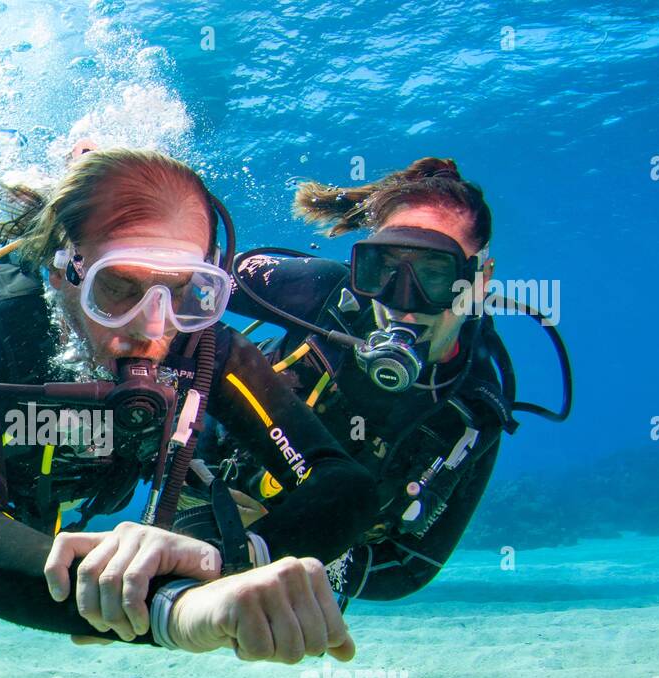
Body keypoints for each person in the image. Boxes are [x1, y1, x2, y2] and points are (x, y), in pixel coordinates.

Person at [0, 148, 379, 661]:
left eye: (183, 291)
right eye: (116, 286)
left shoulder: (204, 348)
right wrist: (171, 609)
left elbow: (343, 484)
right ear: (61, 269)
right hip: (27, 512)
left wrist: (232, 560)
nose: (152, 329)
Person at [203, 157, 519, 603]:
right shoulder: (326, 292)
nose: (402, 305)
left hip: (297, 566)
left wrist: (281, 552)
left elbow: (411, 569)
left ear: (480, 281)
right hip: (206, 475)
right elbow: (188, 277)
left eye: (434, 276)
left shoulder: (476, 396)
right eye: (382, 271)